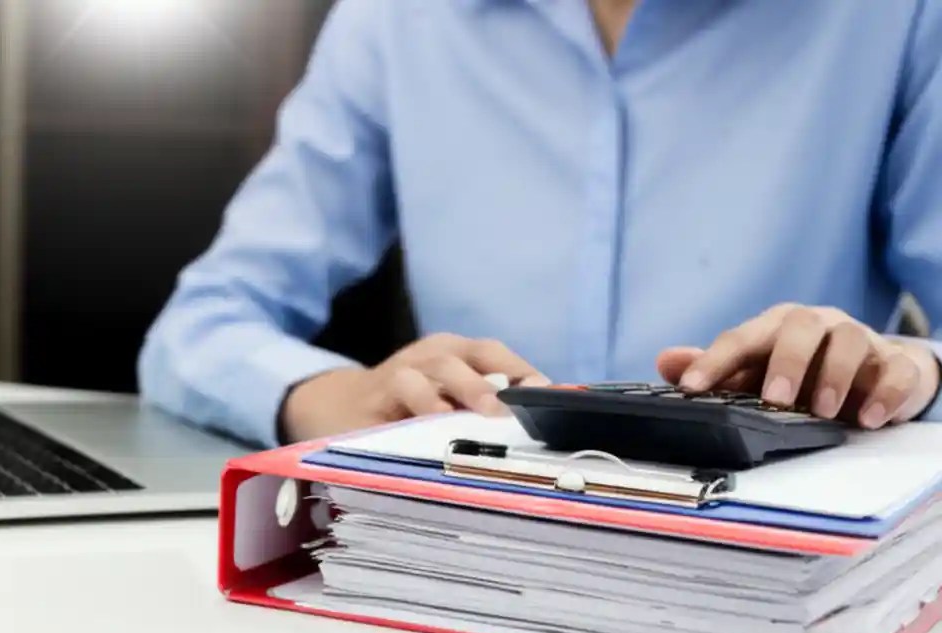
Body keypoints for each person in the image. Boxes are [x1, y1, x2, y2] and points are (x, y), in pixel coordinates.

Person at [137, 0, 942, 448]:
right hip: (454, 561)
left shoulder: (898, 16)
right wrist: (334, 395)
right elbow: (202, 325)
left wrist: (908, 373)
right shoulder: (393, 20)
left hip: (783, 574)